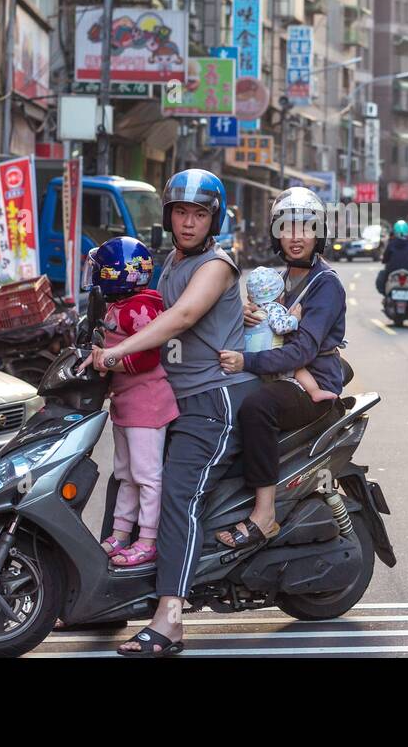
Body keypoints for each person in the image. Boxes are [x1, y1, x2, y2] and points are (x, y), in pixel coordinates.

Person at [80, 169, 261, 657]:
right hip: (170, 399)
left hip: (215, 399)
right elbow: (138, 307)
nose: (187, 222)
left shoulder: (217, 265)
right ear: (168, 216)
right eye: (180, 211)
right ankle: (108, 594)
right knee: (125, 478)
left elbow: (178, 318)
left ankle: (171, 619)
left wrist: (117, 355)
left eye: (198, 213)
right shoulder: (168, 262)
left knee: (178, 494)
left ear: (213, 219)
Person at [215, 187, 347, 550]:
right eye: (287, 228)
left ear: (318, 233)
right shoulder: (277, 280)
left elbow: (302, 350)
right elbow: (264, 329)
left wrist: (247, 361)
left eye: (305, 227)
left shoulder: (326, 286)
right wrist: (243, 316)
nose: (295, 236)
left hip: (311, 383)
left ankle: (264, 513)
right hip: (279, 373)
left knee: (258, 408)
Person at [84, 237, 179, 568]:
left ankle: (148, 539)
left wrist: (105, 362)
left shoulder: (140, 309)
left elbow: (146, 358)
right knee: (125, 473)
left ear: (115, 274)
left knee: (147, 475)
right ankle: (121, 533)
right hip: (126, 405)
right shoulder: (119, 306)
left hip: (147, 405)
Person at [243, 265, 336, 403]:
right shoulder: (274, 308)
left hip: (255, 360)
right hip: (272, 359)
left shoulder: (253, 312)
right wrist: (294, 318)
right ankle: (315, 391)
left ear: (250, 298)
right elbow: (280, 327)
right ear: (281, 297)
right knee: (298, 369)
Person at [376, 218, 408, 295]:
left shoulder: (391, 244)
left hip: (391, 271)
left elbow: (385, 259)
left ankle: (387, 296)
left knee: (382, 275)